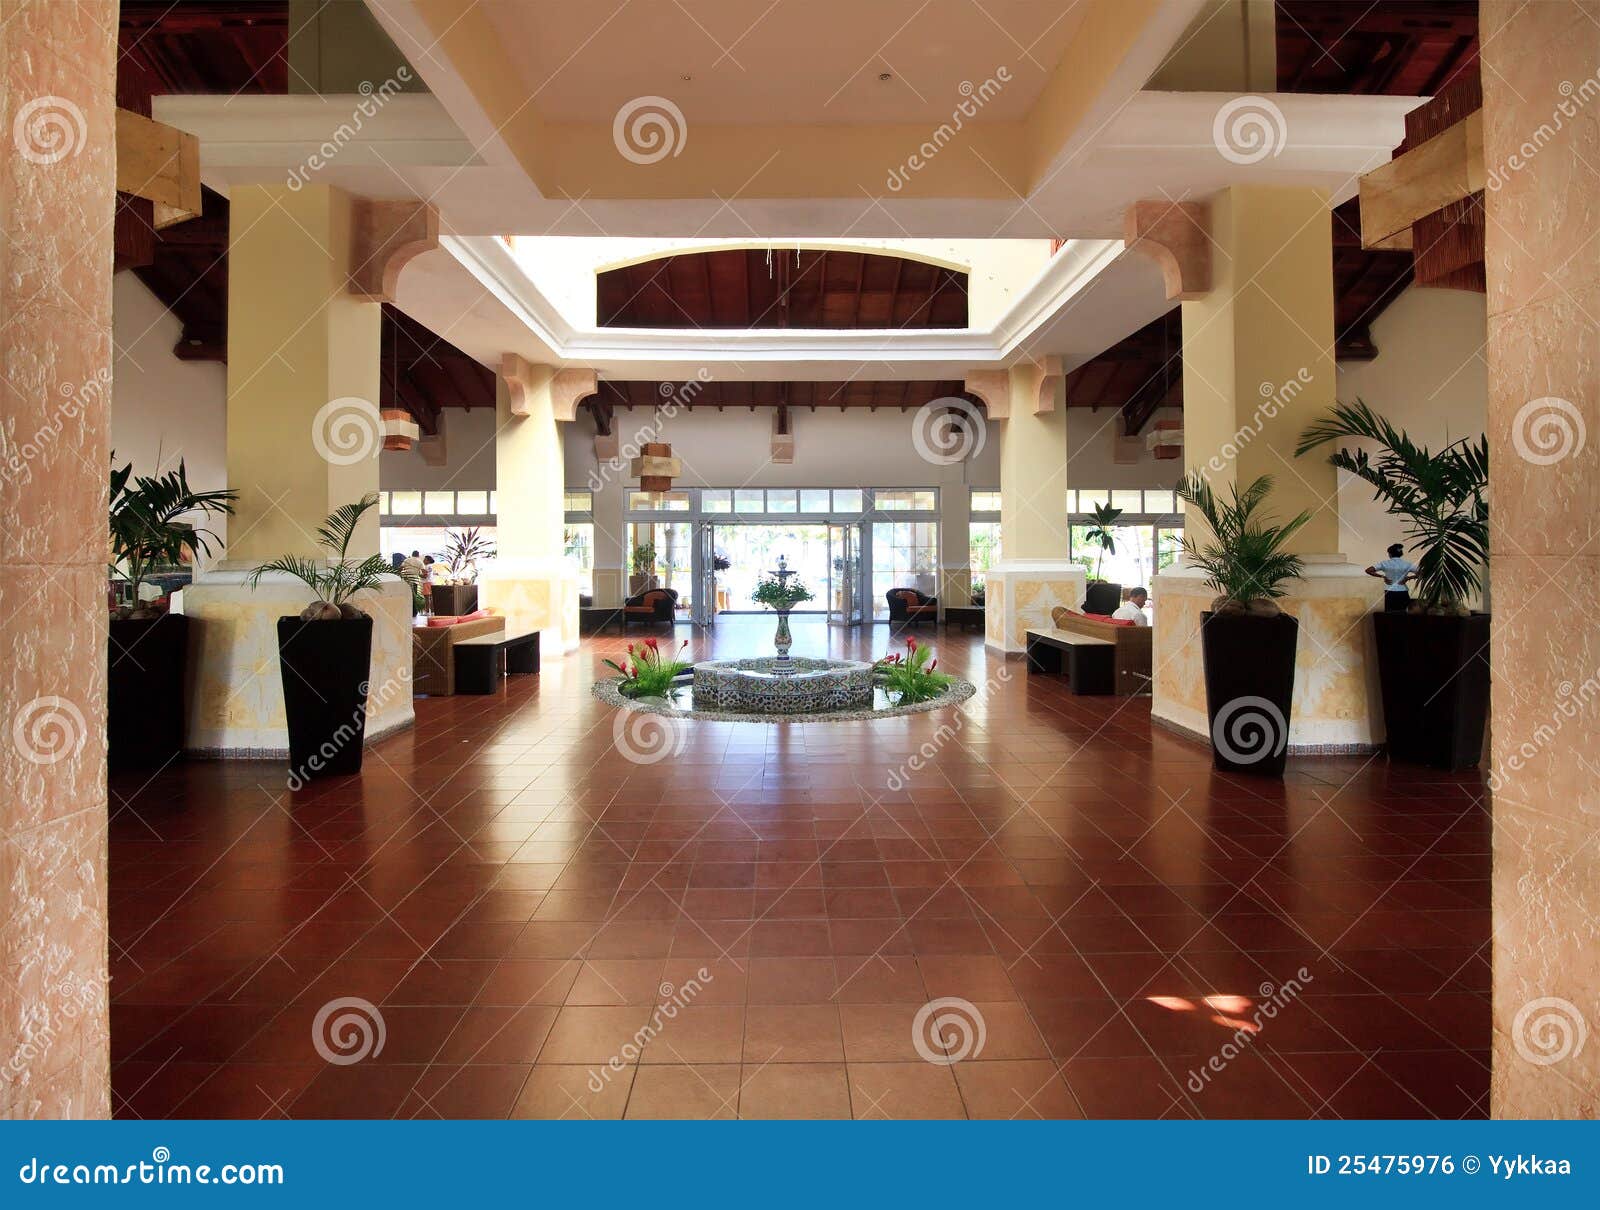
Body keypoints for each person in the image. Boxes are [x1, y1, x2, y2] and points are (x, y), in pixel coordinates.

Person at [1368, 542, 1418, 611]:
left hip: (1388, 591)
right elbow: (1423, 572)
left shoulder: (1384, 563)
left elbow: (1368, 570)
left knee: (1388, 612)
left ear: (1390, 554)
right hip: (1403, 591)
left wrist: (1383, 577)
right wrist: (1409, 578)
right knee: (1403, 612)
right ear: (1401, 554)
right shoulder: (1407, 564)